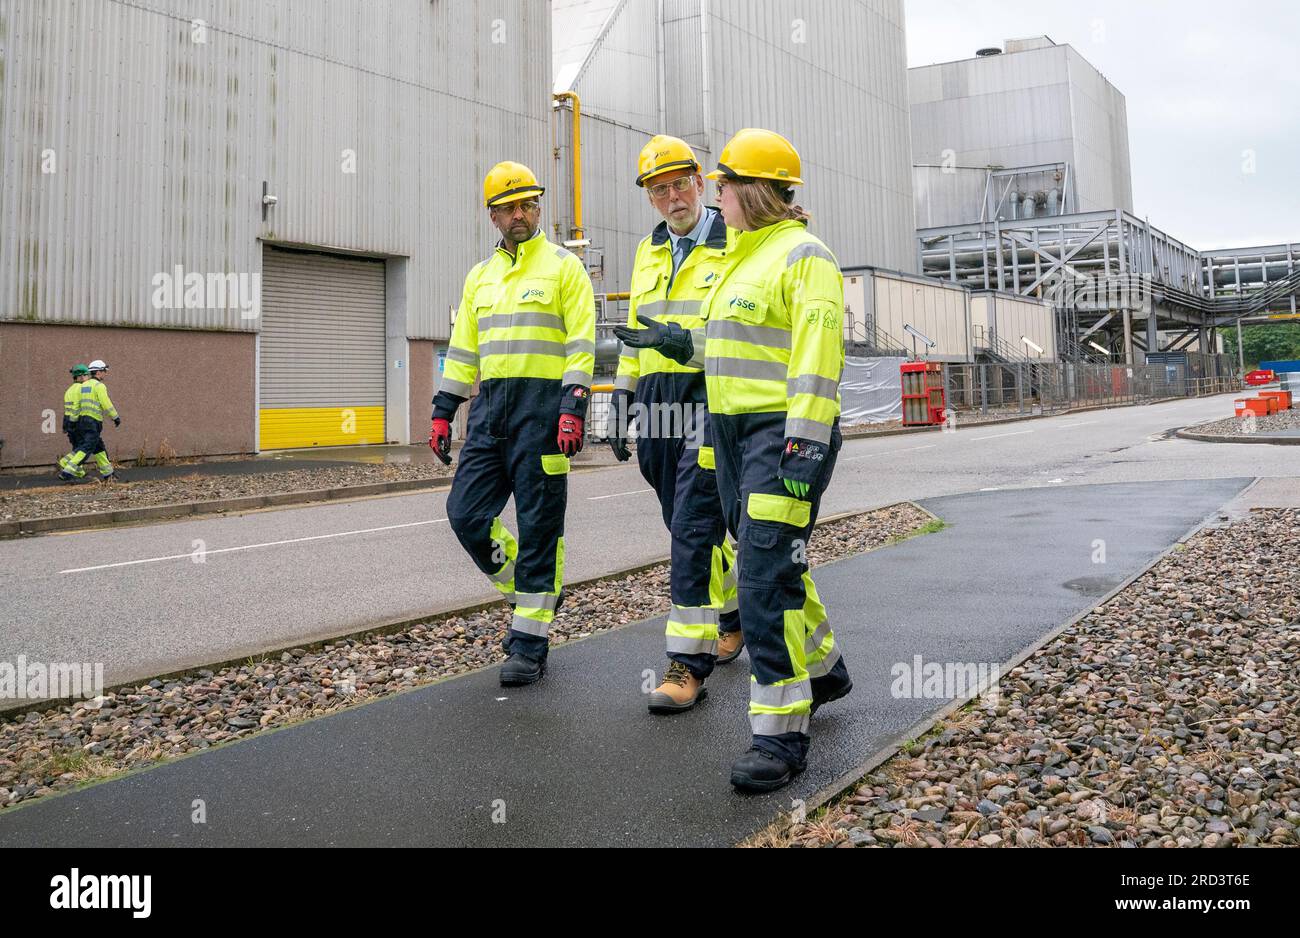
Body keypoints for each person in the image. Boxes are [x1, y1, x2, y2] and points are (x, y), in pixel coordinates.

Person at [621, 128, 853, 792]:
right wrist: (673, 341)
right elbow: (724, 346)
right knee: (771, 561)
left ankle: (779, 739)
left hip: (779, 436)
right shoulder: (745, 259)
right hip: (730, 433)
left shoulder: (803, 258)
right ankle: (826, 670)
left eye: (721, 184)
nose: (714, 195)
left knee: (757, 578)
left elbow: (816, 358)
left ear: (751, 190)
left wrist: (805, 442)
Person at [430, 161, 596, 687]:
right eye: (507, 208)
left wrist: (573, 407)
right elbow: (462, 353)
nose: (519, 214)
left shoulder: (565, 268)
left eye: (527, 204)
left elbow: (580, 343)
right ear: (493, 217)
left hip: (544, 415)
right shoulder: (480, 277)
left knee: (540, 523)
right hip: (490, 413)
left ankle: (528, 643)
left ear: (539, 207)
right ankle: (534, 586)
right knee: (465, 513)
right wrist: (442, 410)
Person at [610, 135, 742, 714]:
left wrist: (682, 343)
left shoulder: (734, 242)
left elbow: (744, 334)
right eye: (658, 190)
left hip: (712, 394)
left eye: (679, 184)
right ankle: (732, 611)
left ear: (700, 182)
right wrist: (621, 394)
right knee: (681, 518)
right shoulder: (648, 251)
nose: (671, 198)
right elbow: (640, 334)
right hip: (661, 399)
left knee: (691, 523)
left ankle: (688, 665)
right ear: (649, 198)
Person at [59, 359, 120, 482]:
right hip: (93, 422)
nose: (105, 374)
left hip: (81, 421)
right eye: (104, 371)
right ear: (98, 372)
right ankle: (68, 470)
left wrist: (72, 422)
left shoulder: (82, 387)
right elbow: (106, 403)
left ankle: (108, 474)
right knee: (86, 447)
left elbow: (76, 405)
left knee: (98, 447)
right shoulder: (99, 386)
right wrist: (115, 417)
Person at [57, 365, 90, 480]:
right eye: (86, 375)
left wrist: (66, 425)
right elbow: (78, 408)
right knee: (84, 448)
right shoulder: (81, 389)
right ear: (80, 377)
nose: (88, 377)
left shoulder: (69, 390)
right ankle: (64, 461)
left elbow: (67, 410)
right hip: (78, 422)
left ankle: (80, 472)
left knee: (77, 448)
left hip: (69, 422)